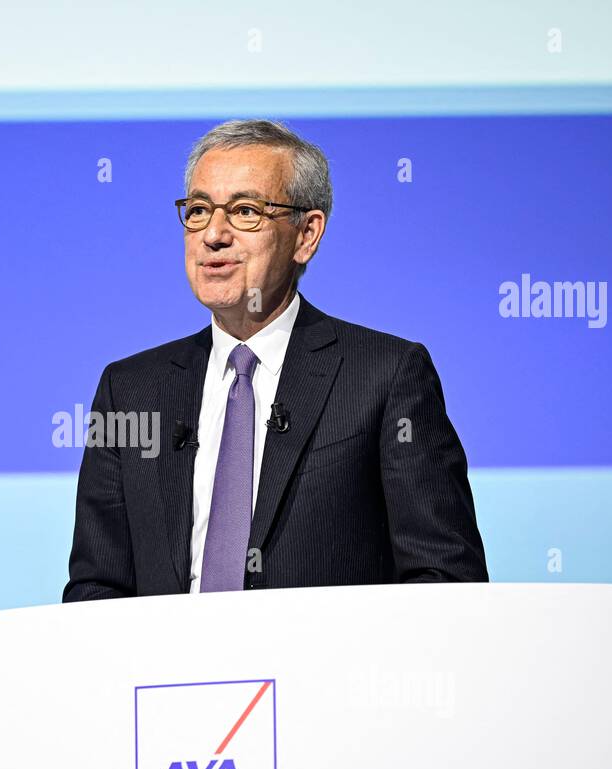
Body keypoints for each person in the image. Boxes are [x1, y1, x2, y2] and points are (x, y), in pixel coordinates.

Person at [64, 119, 487, 600]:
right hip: (173, 674)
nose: (213, 235)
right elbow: (95, 590)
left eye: (244, 211)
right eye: (198, 210)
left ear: (306, 234)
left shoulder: (386, 375)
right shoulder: (129, 390)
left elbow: (447, 584)